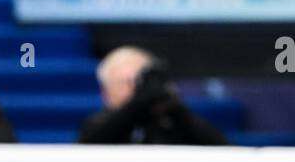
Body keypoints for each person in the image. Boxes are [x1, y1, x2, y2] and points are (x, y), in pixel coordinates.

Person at [78, 46, 229, 145]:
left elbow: (222, 150)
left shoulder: (174, 123)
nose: (136, 90)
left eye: (141, 82)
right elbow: (88, 145)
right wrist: (138, 104)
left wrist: (173, 106)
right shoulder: (98, 124)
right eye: (127, 83)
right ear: (106, 93)